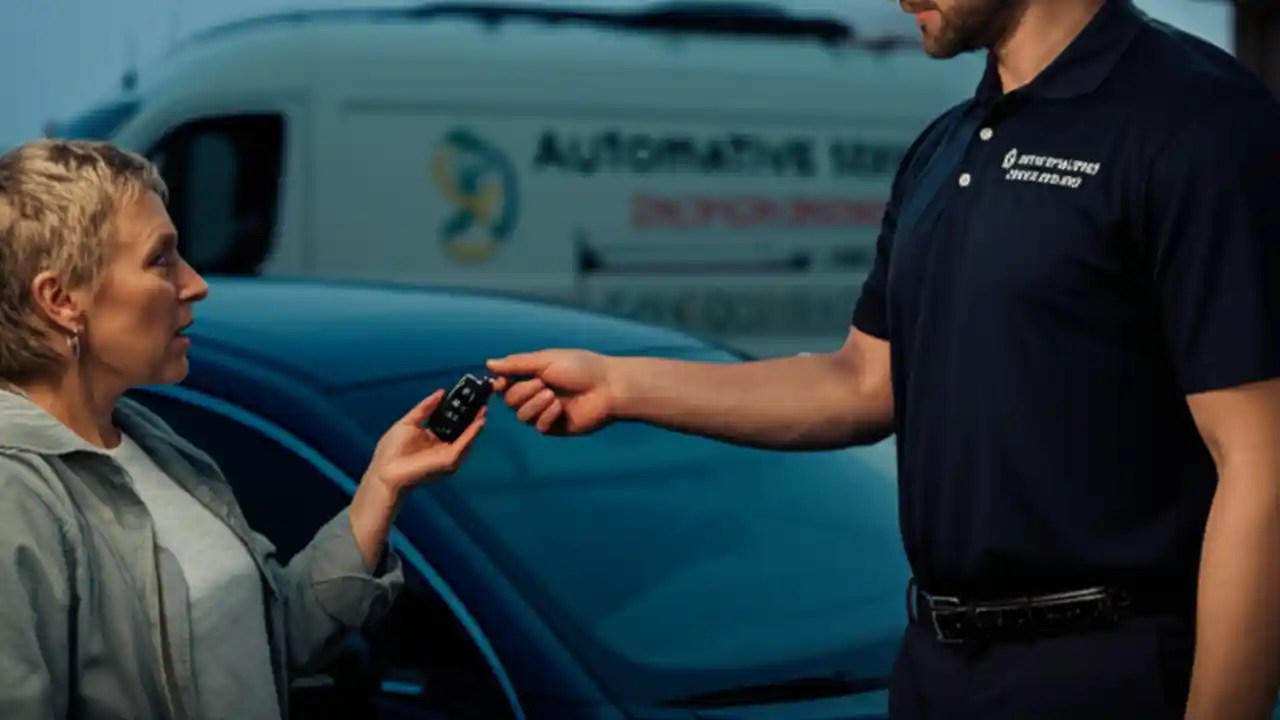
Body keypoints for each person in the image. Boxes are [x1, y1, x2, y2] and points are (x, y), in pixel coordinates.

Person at [486, 0, 1280, 717]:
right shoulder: (946, 144)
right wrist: (621, 384)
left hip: (1112, 672)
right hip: (935, 669)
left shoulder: (1197, 122)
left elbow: (1262, 461)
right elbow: (861, 381)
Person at [0, 139, 486, 719]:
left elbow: (266, 645)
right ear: (60, 299)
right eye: (161, 259)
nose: (195, 283)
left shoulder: (155, 446)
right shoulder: (14, 493)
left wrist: (381, 488)